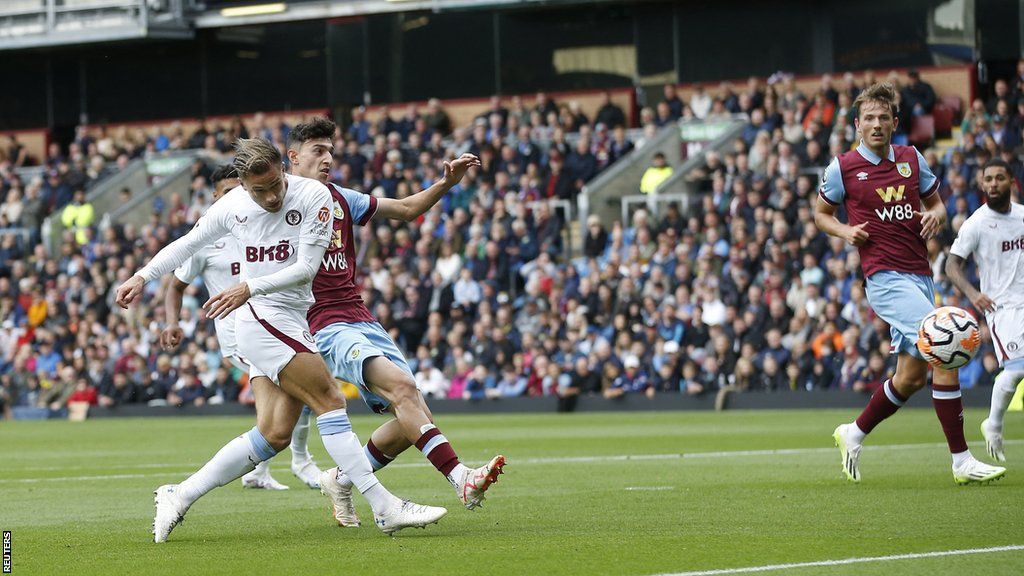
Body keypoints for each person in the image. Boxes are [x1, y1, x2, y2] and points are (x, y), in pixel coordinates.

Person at [116, 137, 447, 542]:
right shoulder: (232, 205)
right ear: (242, 183)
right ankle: (384, 507)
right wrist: (140, 276)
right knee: (330, 399)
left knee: (273, 434)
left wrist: (248, 287)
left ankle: (179, 493)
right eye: (260, 190)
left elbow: (307, 268)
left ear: (283, 170)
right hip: (262, 318)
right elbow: (187, 244)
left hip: (284, 312)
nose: (271, 197)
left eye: (276, 185)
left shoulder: (315, 196)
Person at [278, 118, 503, 528]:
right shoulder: (277, 204)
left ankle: (342, 479)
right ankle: (461, 478)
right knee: (403, 389)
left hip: (362, 318)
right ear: (293, 157)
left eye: (330, 150)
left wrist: (445, 184)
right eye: (317, 151)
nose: (327, 158)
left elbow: (405, 209)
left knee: (412, 413)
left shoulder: (341, 198)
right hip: (323, 323)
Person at [815, 82, 1005, 485]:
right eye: (869, 118)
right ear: (857, 125)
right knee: (945, 344)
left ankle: (854, 432)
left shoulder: (910, 159)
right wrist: (845, 232)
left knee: (911, 378)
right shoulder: (843, 167)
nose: (877, 124)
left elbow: (936, 203)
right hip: (884, 277)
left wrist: (936, 214)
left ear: (895, 122)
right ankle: (961, 461)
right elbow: (821, 214)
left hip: (920, 275)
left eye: (884, 117)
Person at [160, 165, 321, 491]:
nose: (239, 196)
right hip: (239, 335)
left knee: (294, 395)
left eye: (242, 189)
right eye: (228, 191)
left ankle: (260, 469)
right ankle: (299, 462)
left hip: (273, 323)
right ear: (216, 197)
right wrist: (172, 322)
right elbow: (175, 286)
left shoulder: (262, 226)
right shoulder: (206, 240)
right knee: (300, 389)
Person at [945, 158, 1024, 462]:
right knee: (1017, 369)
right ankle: (994, 424)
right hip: (1002, 308)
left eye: (999, 178)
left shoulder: (1021, 216)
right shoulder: (976, 223)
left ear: (1011, 182)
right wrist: (973, 293)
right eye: (988, 178)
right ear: (981, 184)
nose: (993, 184)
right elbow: (951, 265)